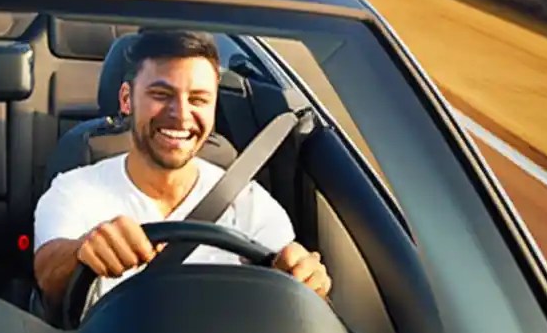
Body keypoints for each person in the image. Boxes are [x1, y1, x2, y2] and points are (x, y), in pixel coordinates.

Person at [33, 29, 331, 314]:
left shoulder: (249, 203)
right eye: (161, 94)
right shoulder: (75, 191)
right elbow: (48, 275)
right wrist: (81, 253)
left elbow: (301, 313)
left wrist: (306, 283)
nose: (180, 115)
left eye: (198, 99)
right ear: (126, 99)